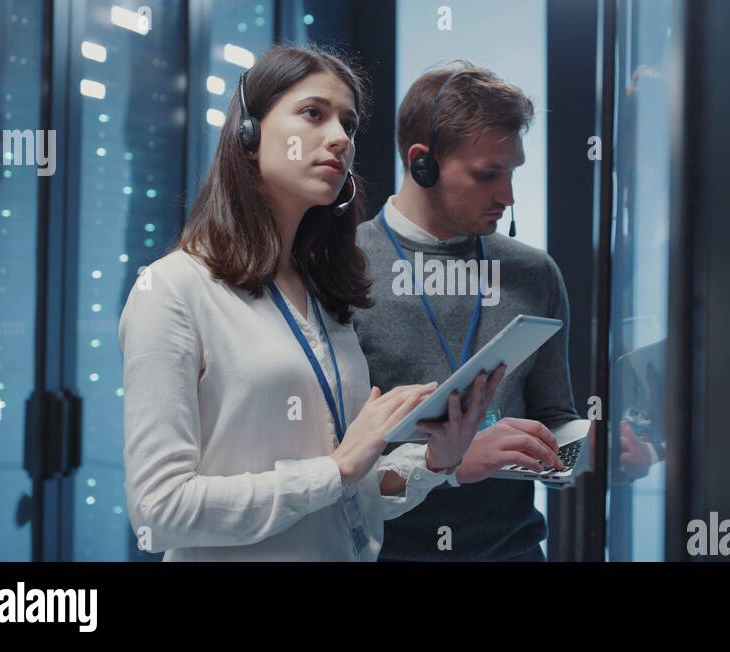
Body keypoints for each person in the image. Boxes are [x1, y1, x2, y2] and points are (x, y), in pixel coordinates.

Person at [118, 43, 502, 562]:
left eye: (348, 123)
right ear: (249, 135)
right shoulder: (172, 290)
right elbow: (158, 510)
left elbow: (348, 493)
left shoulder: (323, 292)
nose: (339, 138)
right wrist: (336, 470)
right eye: (313, 114)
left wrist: (435, 462)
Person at [353, 61, 653, 562]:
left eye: (512, 172)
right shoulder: (342, 268)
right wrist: (450, 463)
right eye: (488, 174)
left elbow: (552, 417)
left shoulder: (534, 273)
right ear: (421, 163)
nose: (507, 197)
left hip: (513, 552)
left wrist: (587, 451)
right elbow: (328, 459)